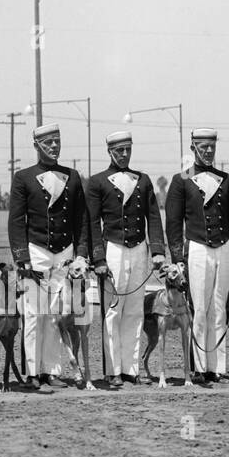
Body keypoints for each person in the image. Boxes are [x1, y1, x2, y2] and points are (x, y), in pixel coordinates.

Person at [164, 128, 229, 383]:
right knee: (201, 307)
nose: (208, 151)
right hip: (197, 248)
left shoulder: (226, 180)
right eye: (203, 147)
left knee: (219, 308)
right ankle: (201, 366)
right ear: (193, 147)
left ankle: (217, 366)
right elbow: (173, 223)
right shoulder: (181, 179)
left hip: (223, 248)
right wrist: (177, 257)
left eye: (211, 147)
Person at [7, 122, 90, 393]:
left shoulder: (73, 176)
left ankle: (51, 371)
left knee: (57, 314)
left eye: (56, 141)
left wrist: (80, 254)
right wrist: (22, 257)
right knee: (34, 314)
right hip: (36, 251)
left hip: (64, 253)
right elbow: (17, 221)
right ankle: (33, 372)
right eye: (47, 143)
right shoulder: (23, 177)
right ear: (36, 146)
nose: (53, 146)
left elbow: (82, 220)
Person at [86, 129, 166, 388]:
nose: (123, 154)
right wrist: (98, 258)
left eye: (127, 150)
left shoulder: (143, 180)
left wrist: (157, 251)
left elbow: (153, 217)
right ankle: (113, 369)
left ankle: (131, 369)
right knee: (113, 311)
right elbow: (92, 223)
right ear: (109, 151)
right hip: (113, 250)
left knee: (134, 310)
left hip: (139, 250)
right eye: (119, 150)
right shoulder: (98, 182)